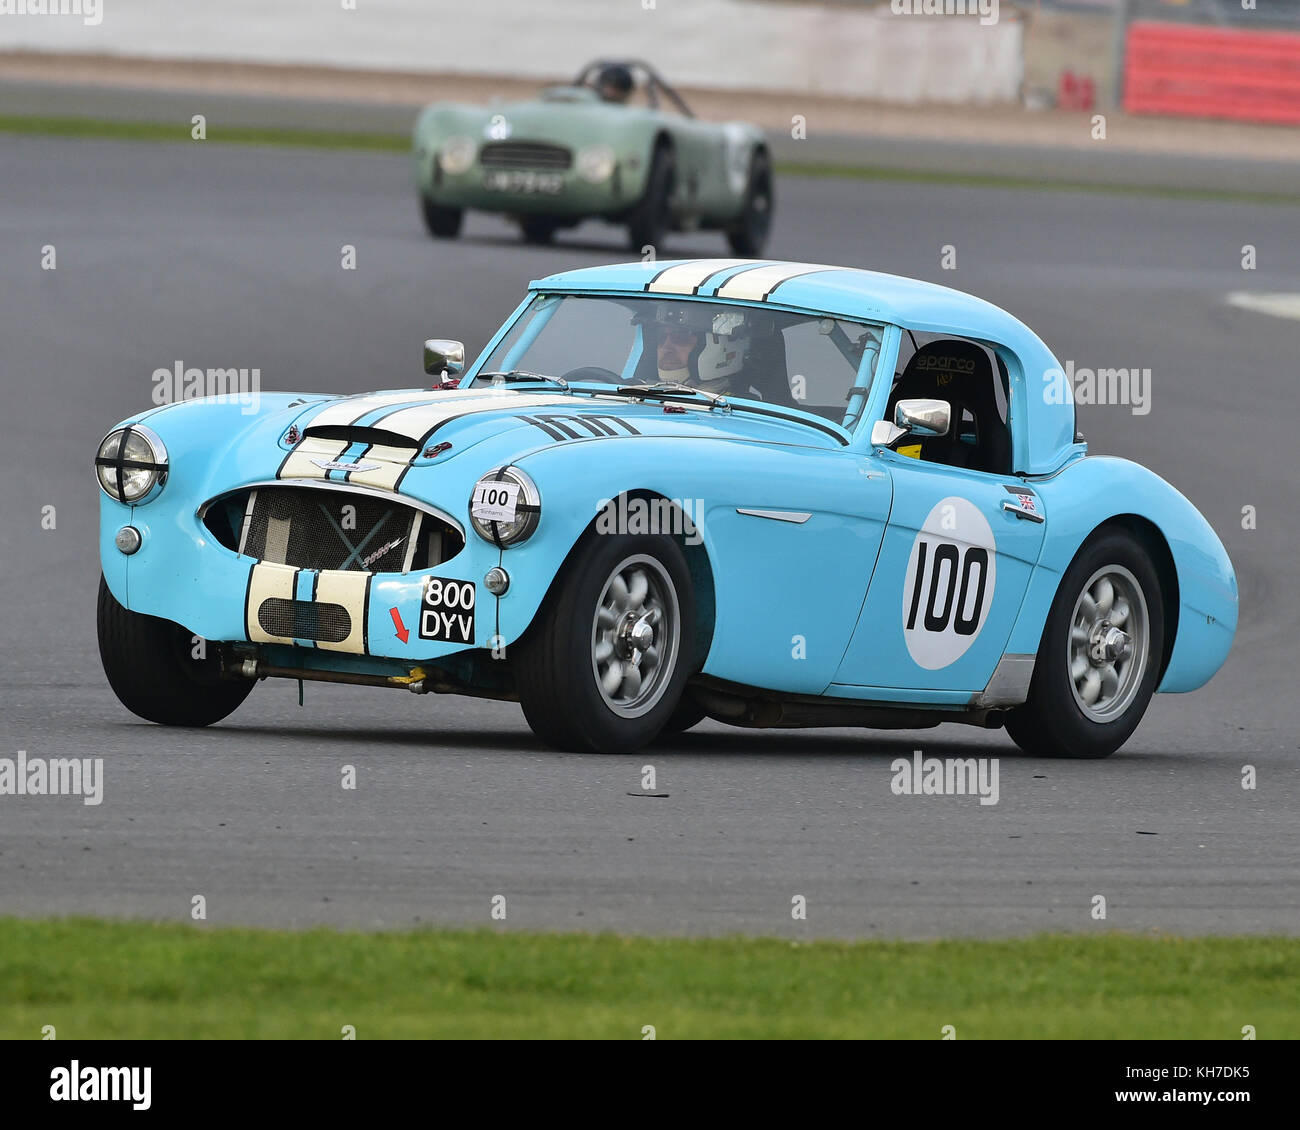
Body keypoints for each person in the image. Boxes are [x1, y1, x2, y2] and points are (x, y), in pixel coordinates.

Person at [638, 305, 753, 396]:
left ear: (721, 344)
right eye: (660, 338)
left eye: (680, 337)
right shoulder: (636, 394)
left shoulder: (744, 410)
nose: (665, 348)